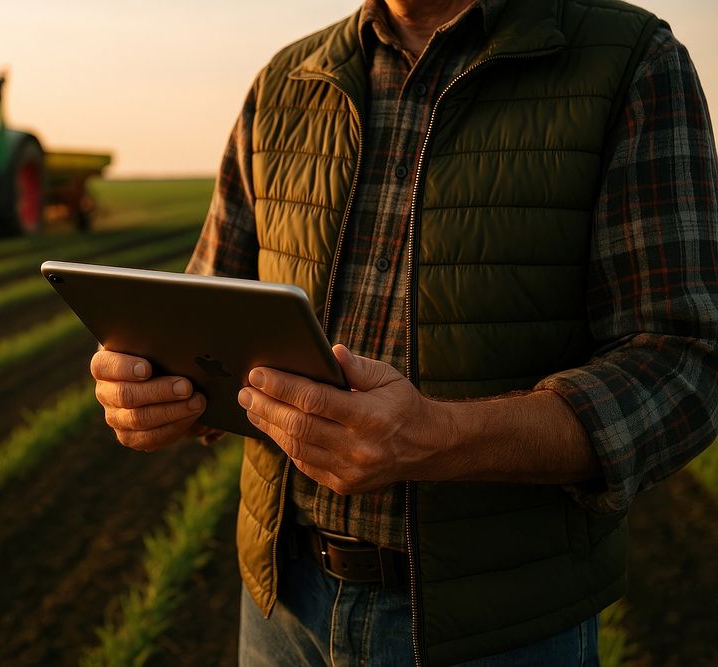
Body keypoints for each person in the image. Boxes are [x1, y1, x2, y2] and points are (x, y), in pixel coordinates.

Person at [90, 0, 718, 664]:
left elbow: (684, 364)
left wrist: (437, 439)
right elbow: (206, 312)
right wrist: (155, 389)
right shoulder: (285, 82)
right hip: (285, 610)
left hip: (498, 628)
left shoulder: (630, 61)